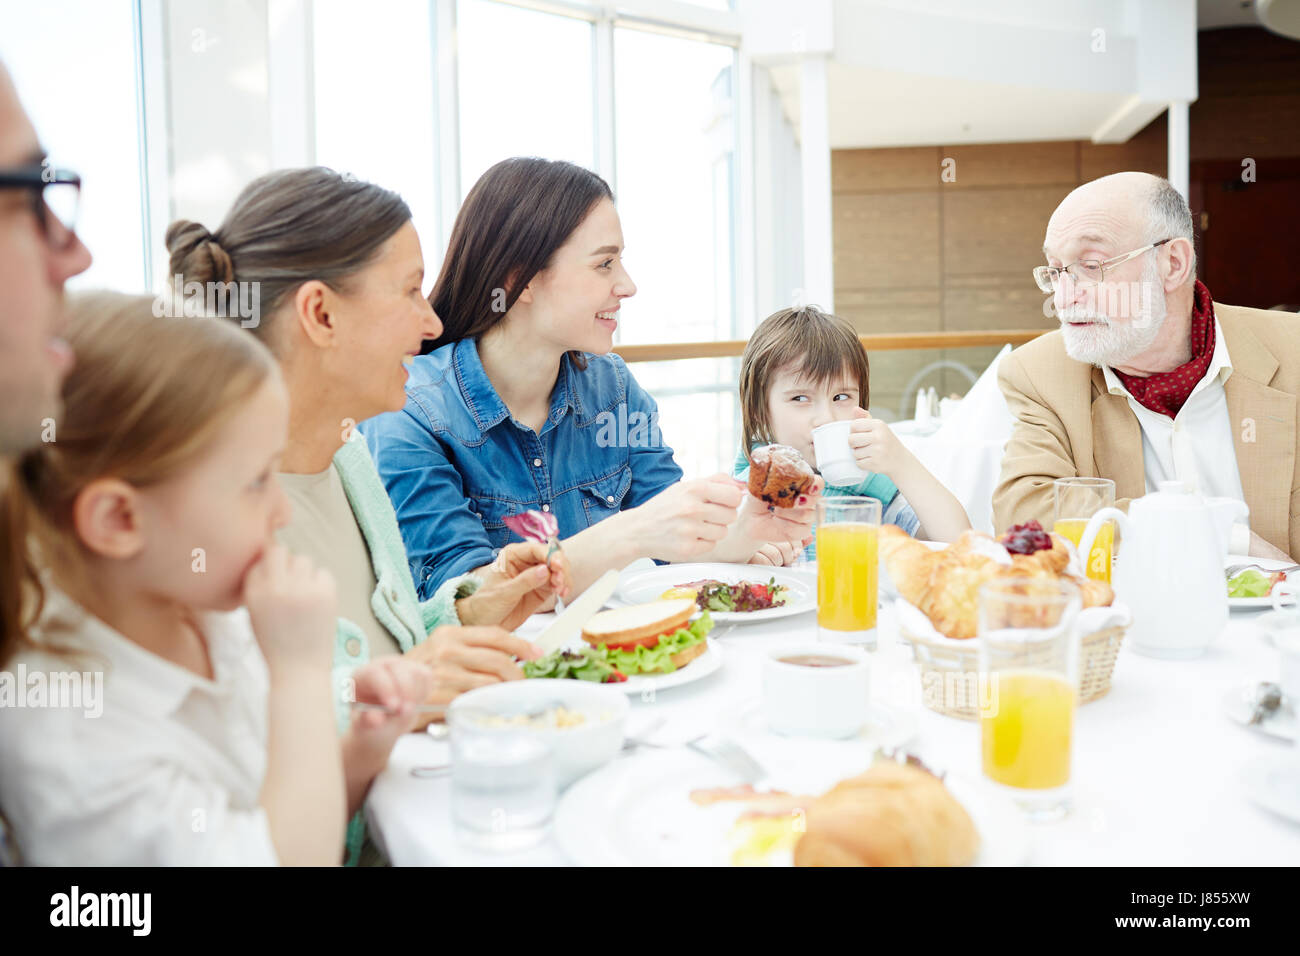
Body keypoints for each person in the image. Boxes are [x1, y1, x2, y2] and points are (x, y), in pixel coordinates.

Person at [165, 168, 572, 862]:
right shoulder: (196, 522)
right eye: (411, 290)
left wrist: (470, 610)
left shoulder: (350, 455)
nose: (434, 320)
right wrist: (390, 692)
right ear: (321, 315)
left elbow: (386, 644)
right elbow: (217, 747)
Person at [0, 292, 432, 865]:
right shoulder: (74, 740)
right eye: (256, 482)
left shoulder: (203, 609)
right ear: (119, 520)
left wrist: (360, 750)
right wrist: (299, 673)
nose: (283, 513)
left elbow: (286, 818)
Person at [366, 157, 819, 598]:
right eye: (604, 264)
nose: (627, 285)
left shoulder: (615, 391)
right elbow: (464, 601)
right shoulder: (410, 412)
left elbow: (673, 545)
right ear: (520, 279)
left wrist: (746, 530)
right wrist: (633, 532)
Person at [995, 172, 1300, 560]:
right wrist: (1210, 533)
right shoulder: (1038, 374)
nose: (1064, 298)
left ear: (1173, 263)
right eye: (1056, 271)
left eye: (1091, 265)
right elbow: (1024, 518)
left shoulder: (1293, 351)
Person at [735, 306, 970, 561]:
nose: (826, 417)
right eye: (800, 398)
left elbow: (961, 545)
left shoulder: (870, 488)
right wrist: (745, 552)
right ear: (760, 410)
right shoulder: (745, 492)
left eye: (841, 396)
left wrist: (902, 464)